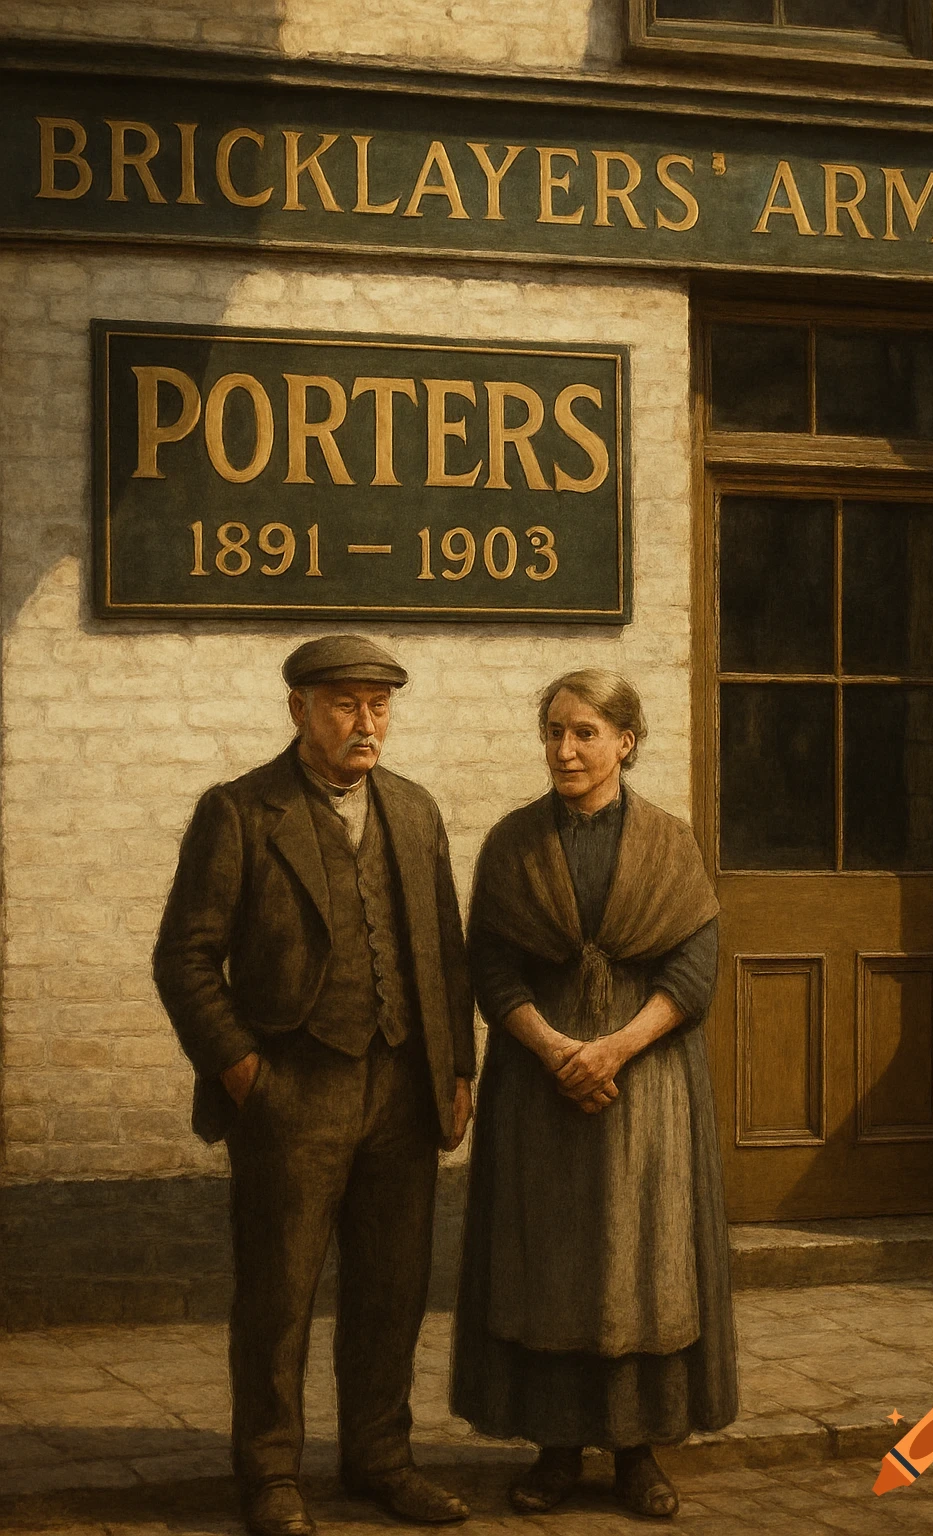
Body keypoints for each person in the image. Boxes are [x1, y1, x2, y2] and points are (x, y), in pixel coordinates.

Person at [153, 635, 475, 1536]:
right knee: (277, 1294)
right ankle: (269, 1476)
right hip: (292, 1092)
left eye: (377, 706)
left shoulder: (414, 811)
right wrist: (243, 1070)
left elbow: (446, 954)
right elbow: (184, 958)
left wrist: (456, 1069)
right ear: (299, 709)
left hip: (403, 1092)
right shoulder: (241, 812)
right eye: (343, 704)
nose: (364, 722)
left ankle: (380, 1459)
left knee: (391, 1289)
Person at [451, 668, 737, 1517]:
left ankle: (638, 1456)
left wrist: (612, 1048)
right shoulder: (512, 844)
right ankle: (555, 1450)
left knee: (642, 1265)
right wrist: (553, 1049)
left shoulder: (669, 843)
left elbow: (694, 968)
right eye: (553, 732)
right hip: (539, 1094)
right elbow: (491, 967)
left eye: (583, 732)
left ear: (626, 741)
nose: (564, 749)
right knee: (548, 1264)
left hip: (645, 1090)